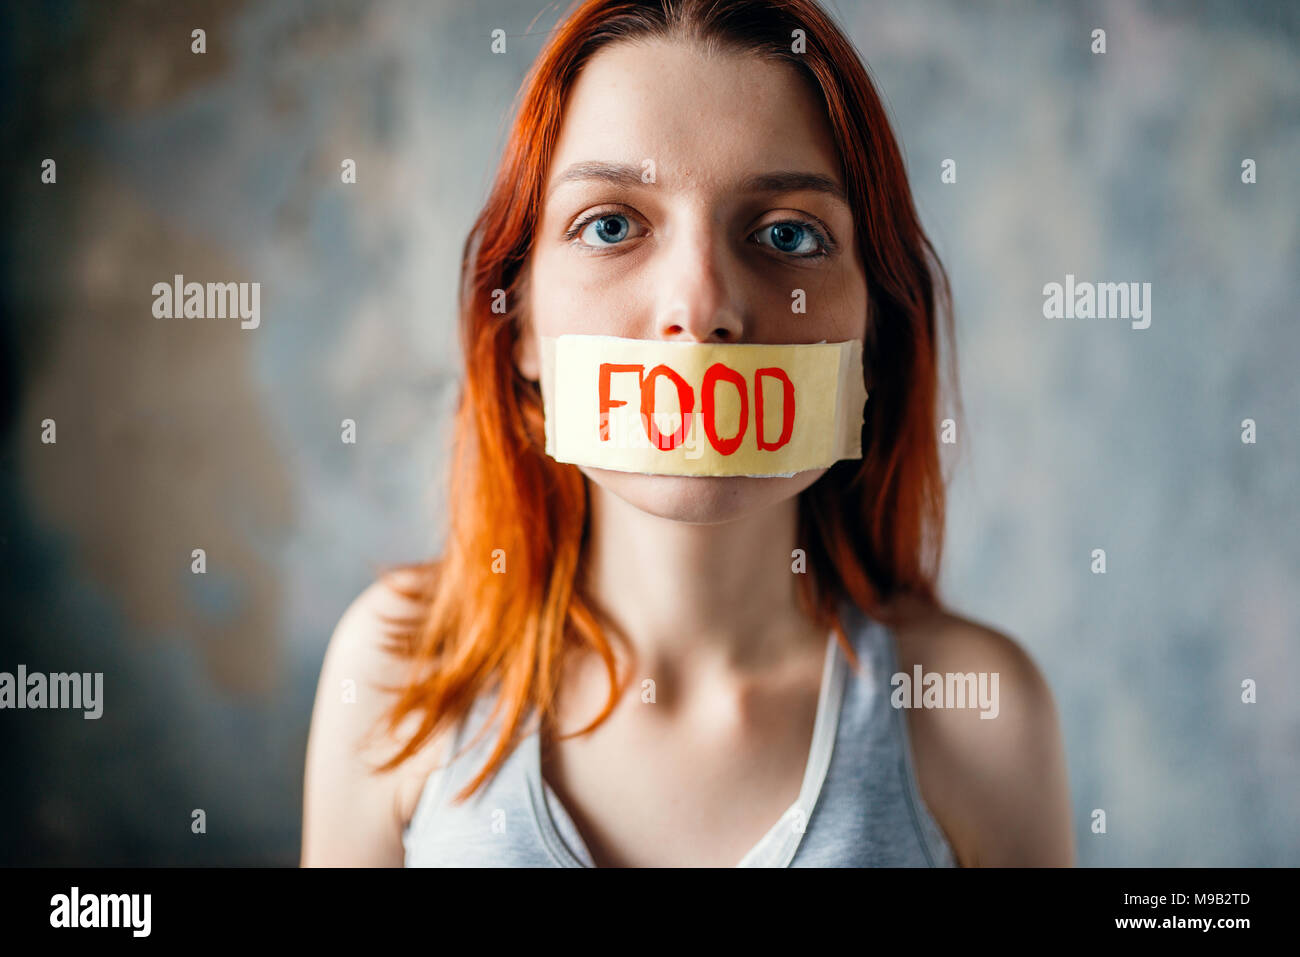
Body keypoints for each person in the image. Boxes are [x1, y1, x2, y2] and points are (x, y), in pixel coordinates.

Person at [302, 0, 1074, 868]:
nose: (702, 308)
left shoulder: (976, 715)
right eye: (611, 224)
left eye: (787, 233)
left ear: (875, 332)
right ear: (516, 324)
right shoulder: (398, 674)